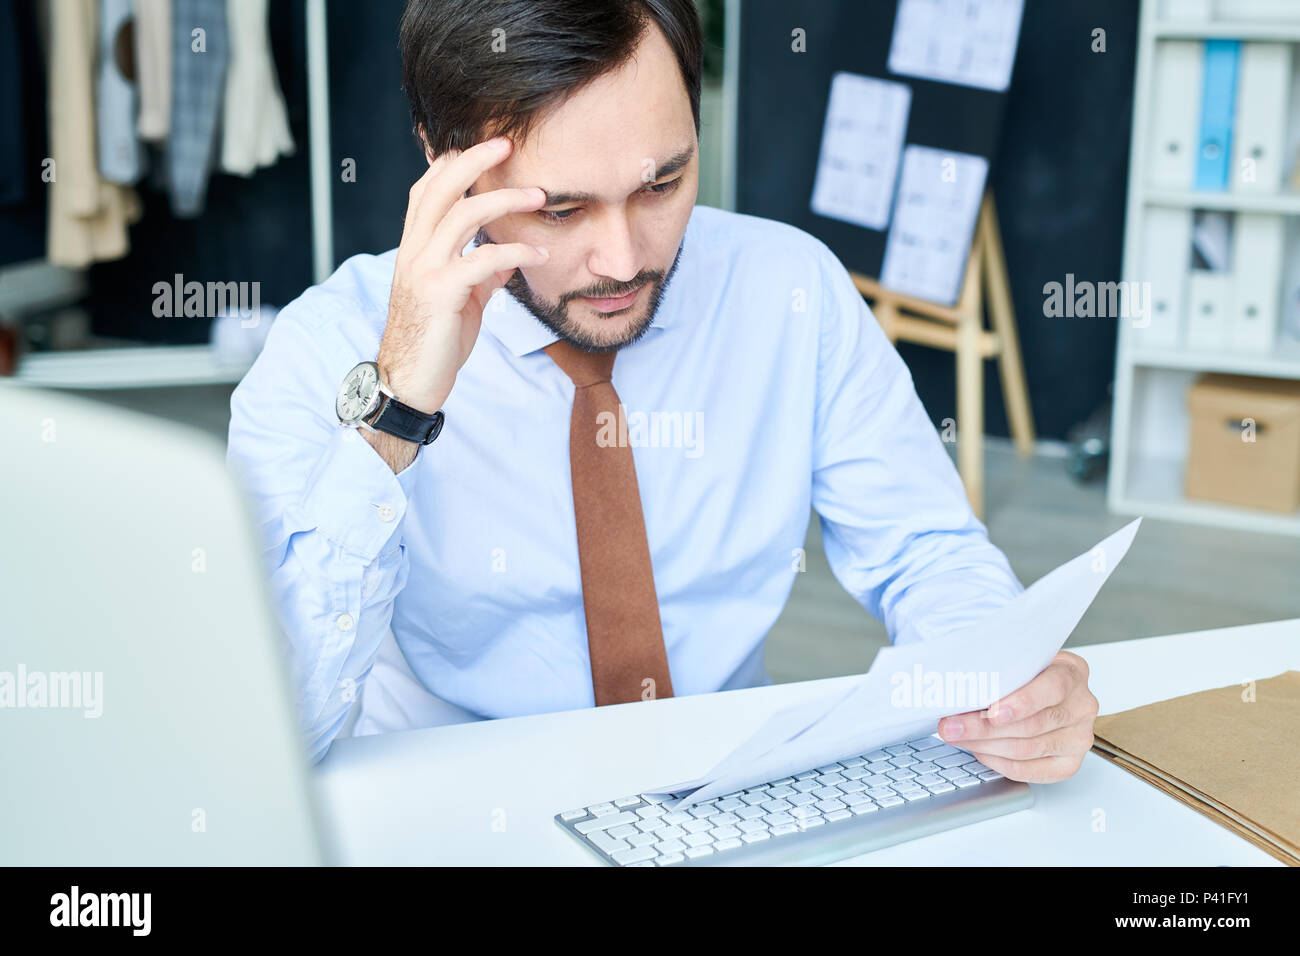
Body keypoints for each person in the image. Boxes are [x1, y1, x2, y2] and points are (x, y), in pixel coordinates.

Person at [227, 0, 1099, 779]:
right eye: (560, 210)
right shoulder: (326, 349)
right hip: (453, 805)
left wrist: (1003, 684)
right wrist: (396, 415)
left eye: (661, 184)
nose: (624, 260)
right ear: (439, 158)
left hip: (725, 792)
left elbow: (926, 553)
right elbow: (267, 736)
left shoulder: (790, 288)